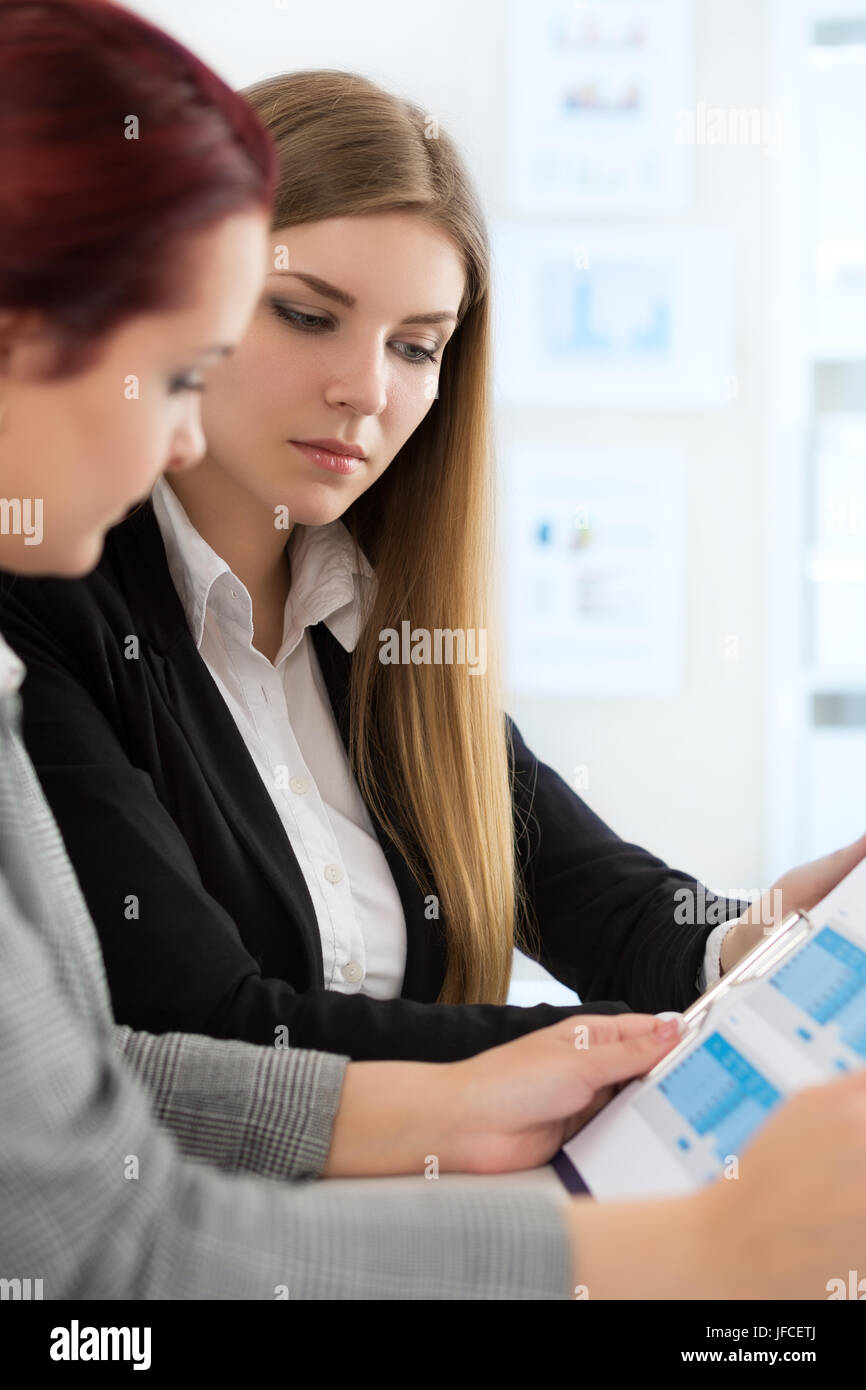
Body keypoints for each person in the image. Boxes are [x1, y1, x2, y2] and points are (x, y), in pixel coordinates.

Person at [2, 0, 866, 1303]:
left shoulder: (375, 619)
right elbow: (191, 1041)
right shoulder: (54, 593)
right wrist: (642, 1068)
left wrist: (744, 943)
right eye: (303, 316)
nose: (369, 389)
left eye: (418, 347)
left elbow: (592, 892)